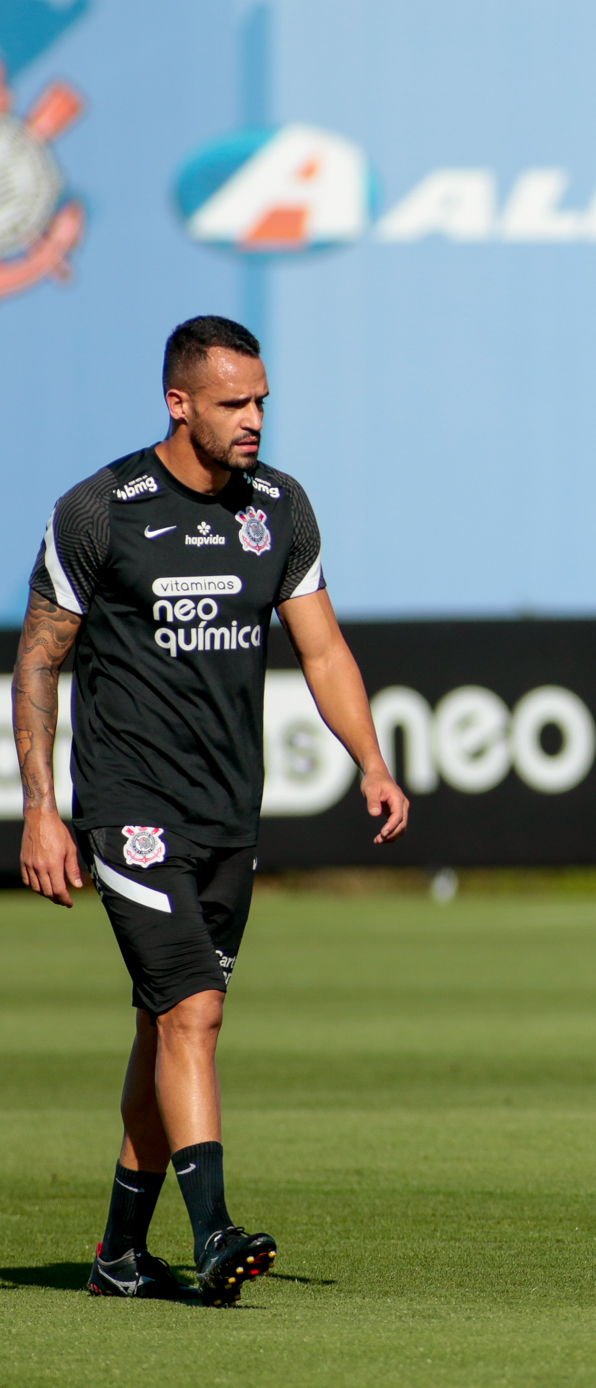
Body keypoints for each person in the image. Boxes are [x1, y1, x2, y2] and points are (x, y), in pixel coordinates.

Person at [14, 316, 411, 1305]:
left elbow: (322, 649)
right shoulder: (99, 511)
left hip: (230, 815)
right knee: (194, 1009)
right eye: (234, 402)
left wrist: (371, 760)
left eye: (262, 400)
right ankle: (214, 1231)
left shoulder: (279, 508)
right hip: (129, 808)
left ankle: (118, 1255)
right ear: (178, 402)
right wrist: (42, 809)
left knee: (166, 1028)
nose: (254, 419)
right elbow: (40, 660)